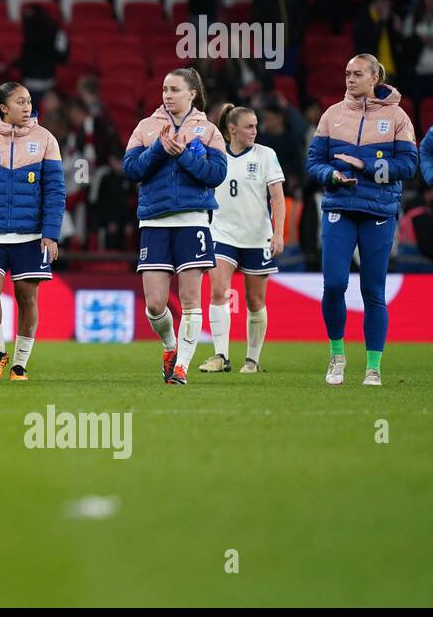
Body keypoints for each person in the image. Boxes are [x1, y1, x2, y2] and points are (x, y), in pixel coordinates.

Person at [306, 54, 419, 386]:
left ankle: (373, 367)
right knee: (336, 284)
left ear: (374, 78)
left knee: (373, 289)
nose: (350, 79)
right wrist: (332, 175)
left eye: (357, 74)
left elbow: (408, 166)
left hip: (378, 212)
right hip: (339, 207)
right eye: (346, 74)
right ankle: (337, 357)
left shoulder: (397, 116)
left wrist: (364, 167)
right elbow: (314, 163)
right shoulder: (332, 115)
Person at [122, 68, 228, 385]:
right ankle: (170, 346)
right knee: (154, 305)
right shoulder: (146, 127)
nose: (167, 95)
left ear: (192, 94)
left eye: (175, 89)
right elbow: (129, 169)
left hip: (193, 220)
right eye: (165, 89)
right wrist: (158, 149)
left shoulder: (208, 131)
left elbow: (216, 175)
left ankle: (181, 366)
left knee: (191, 299)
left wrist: (183, 156)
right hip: (154, 220)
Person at [0, 82, 65, 381]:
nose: (27, 106)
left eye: (29, 101)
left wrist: (50, 233)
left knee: (27, 297)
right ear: (3, 107)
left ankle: (19, 363)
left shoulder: (45, 139)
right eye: (20, 102)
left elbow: (55, 191)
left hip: (30, 233)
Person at [199, 105, 286, 375]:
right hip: (222, 234)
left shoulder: (266, 155)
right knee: (218, 292)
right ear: (232, 129)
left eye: (256, 125)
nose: (255, 131)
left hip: (257, 237)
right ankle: (220, 355)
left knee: (254, 300)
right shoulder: (216, 155)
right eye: (249, 126)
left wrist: (279, 232)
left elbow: (278, 197)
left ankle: (252, 359)